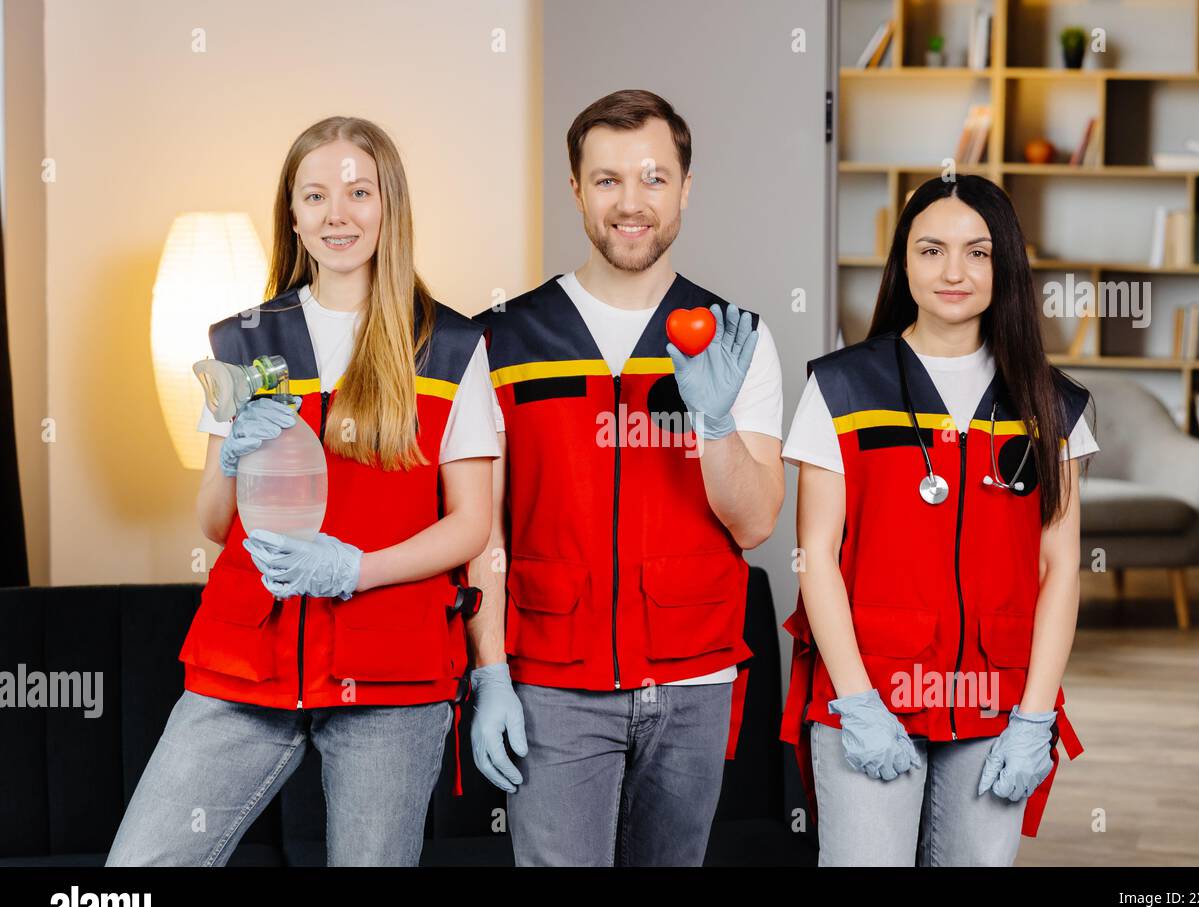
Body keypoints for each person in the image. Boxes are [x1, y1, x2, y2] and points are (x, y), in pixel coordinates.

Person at [106, 116, 499, 866]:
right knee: (139, 872)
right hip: (246, 664)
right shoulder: (243, 342)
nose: (336, 215)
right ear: (291, 213)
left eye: (358, 192)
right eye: (314, 196)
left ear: (391, 207)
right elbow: (217, 526)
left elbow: (470, 525)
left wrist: (355, 569)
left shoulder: (451, 347)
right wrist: (227, 464)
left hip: (389, 677)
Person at [465, 90, 785, 866]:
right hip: (550, 683)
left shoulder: (736, 337)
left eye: (652, 177)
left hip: (694, 681)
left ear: (684, 187)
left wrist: (713, 423)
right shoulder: (501, 338)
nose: (631, 203)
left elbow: (755, 522)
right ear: (576, 190)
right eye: (606, 180)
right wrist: (490, 675)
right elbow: (482, 530)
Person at [779, 174, 1095, 866]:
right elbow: (816, 556)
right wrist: (857, 702)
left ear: (1004, 265)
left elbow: (1061, 566)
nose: (954, 271)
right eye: (931, 250)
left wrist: (1036, 715)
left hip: (998, 700)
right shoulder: (840, 388)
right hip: (870, 692)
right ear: (904, 263)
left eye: (977, 253)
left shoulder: (1052, 403)